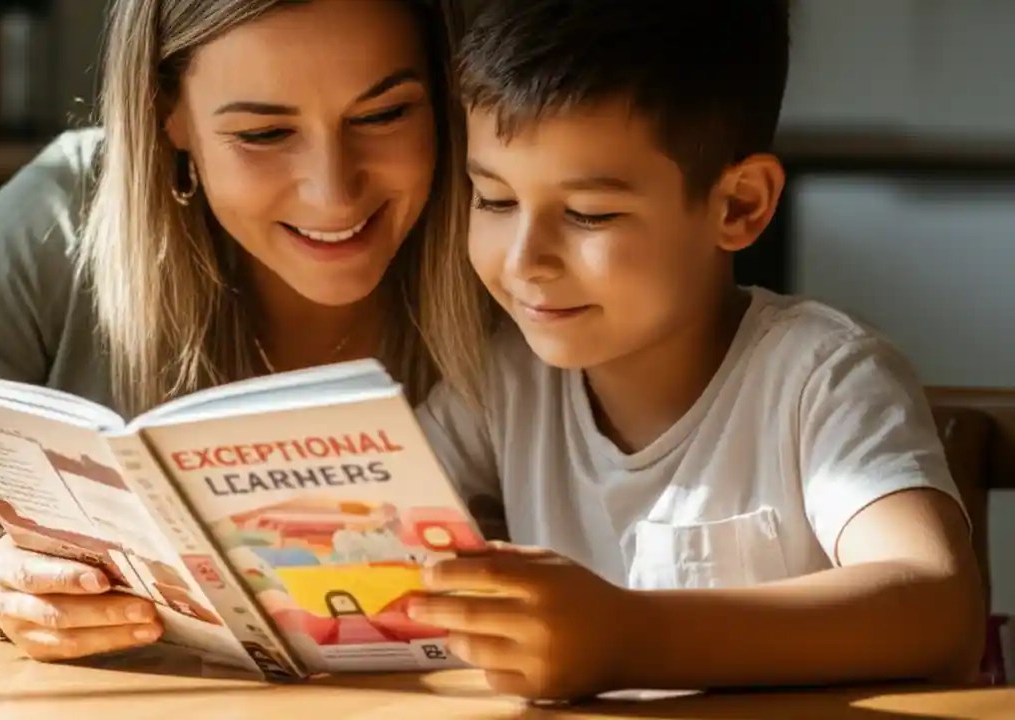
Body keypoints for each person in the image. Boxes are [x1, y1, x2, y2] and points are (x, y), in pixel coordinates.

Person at [0, 0, 490, 663]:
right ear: (167, 113)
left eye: (383, 115)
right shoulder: (69, 214)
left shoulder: (523, 224)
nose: (333, 192)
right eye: (263, 133)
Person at [412, 0, 985, 701]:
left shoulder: (821, 378)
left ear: (739, 205)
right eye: (494, 200)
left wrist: (629, 639)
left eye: (589, 214)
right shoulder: (503, 380)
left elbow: (937, 607)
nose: (525, 260)